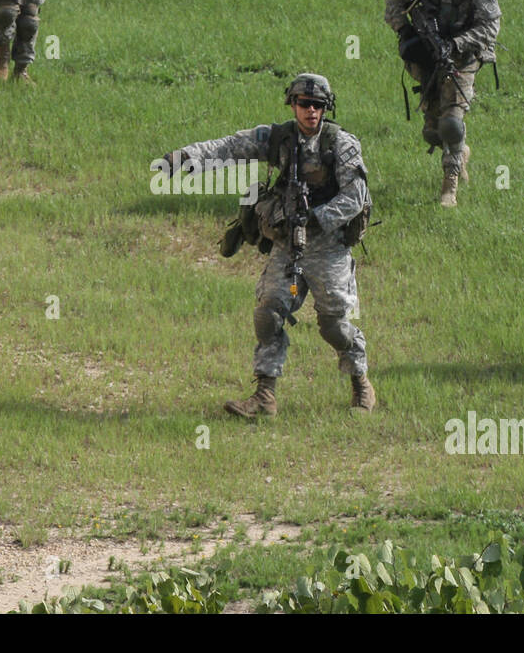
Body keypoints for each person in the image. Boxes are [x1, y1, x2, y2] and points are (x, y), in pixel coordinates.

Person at [160, 74, 374, 417]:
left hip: (328, 245)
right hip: (288, 244)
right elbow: (229, 147)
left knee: (333, 326)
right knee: (268, 312)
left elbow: (356, 197)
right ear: (292, 104)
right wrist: (184, 157)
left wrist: (317, 217)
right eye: (304, 104)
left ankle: (360, 380)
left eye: (318, 105)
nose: (311, 112)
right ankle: (264, 397)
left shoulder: (342, 144)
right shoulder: (277, 138)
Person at [384, 0, 501, 207]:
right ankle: (460, 152)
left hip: (463, 57)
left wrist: (457, 44)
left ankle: (450, 184)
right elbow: (394, 0)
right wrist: (406, 31)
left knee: (451, 122)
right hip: (429, 58)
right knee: (432, 132)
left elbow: (490, 27)